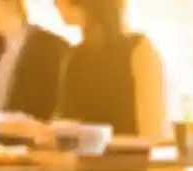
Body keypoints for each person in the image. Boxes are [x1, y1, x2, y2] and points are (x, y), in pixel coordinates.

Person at [53, 0, 167, 140]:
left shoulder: (139, 50)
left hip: (131, 159)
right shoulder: (75, 57)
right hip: (86, 159)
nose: (55, 4)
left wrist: (95, 141)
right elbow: (67, 124)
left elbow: (152, 134)